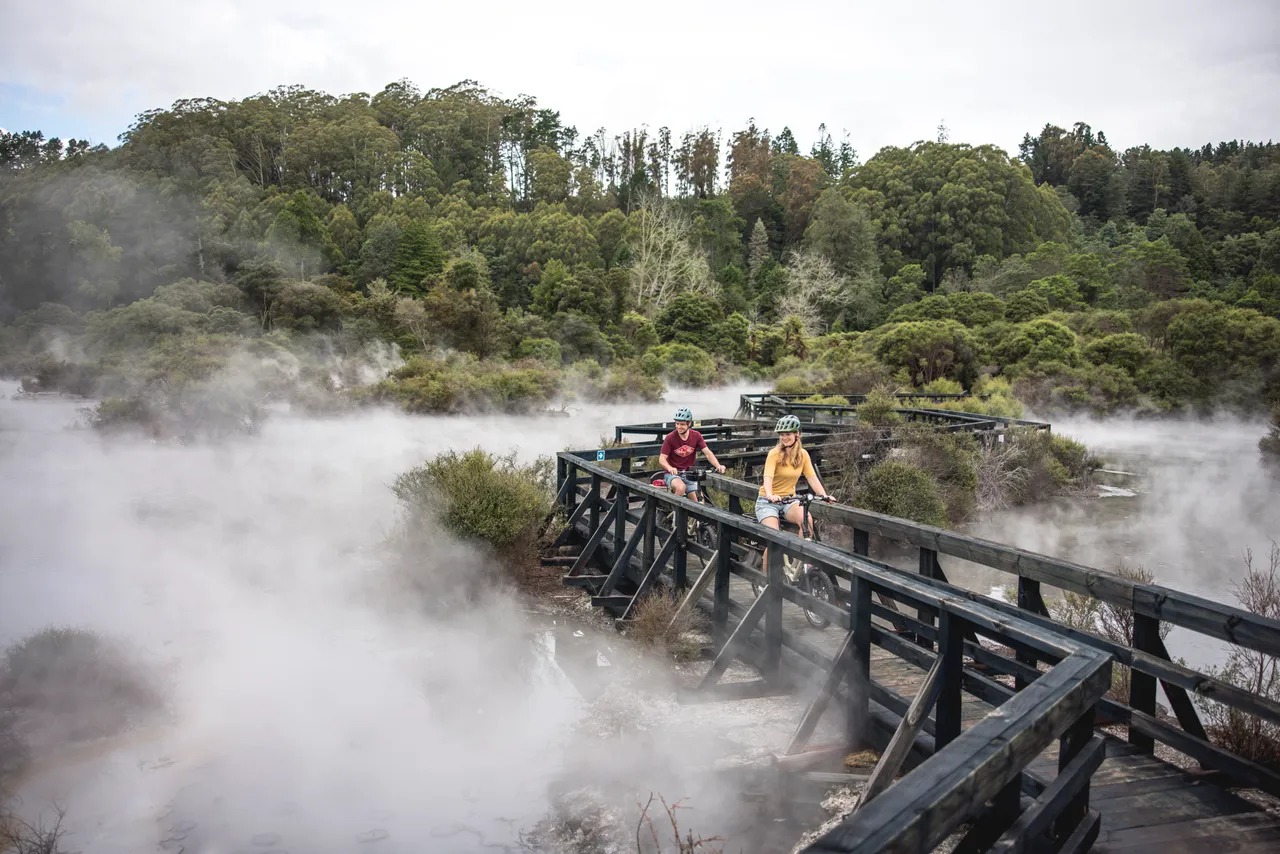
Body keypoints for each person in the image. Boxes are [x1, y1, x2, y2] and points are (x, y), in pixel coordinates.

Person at [755, 414, 834, 540]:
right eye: (782, 434)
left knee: (807, 522)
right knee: (775, 538)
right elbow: (768, 478)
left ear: (797, 434)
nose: (784, 438)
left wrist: (824, 496)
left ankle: (800, 552)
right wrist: (770, 495)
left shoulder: (803, 455)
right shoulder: (774, 454)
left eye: (788, 434)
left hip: (789, 501)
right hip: (767, 502)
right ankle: (772, 554)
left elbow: (812, 478)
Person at [658, 407, 726, 500]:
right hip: (672, 474)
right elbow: (662, 459)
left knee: (698, 502)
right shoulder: (670, 438)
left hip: (689, 474)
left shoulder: (696, 436)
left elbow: (708, 453)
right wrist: (670, 468)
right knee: (681, 488)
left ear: (689, 423)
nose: (679, 427)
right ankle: (674, 508)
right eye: (677, 424)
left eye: (682, 424)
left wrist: (718, 466)